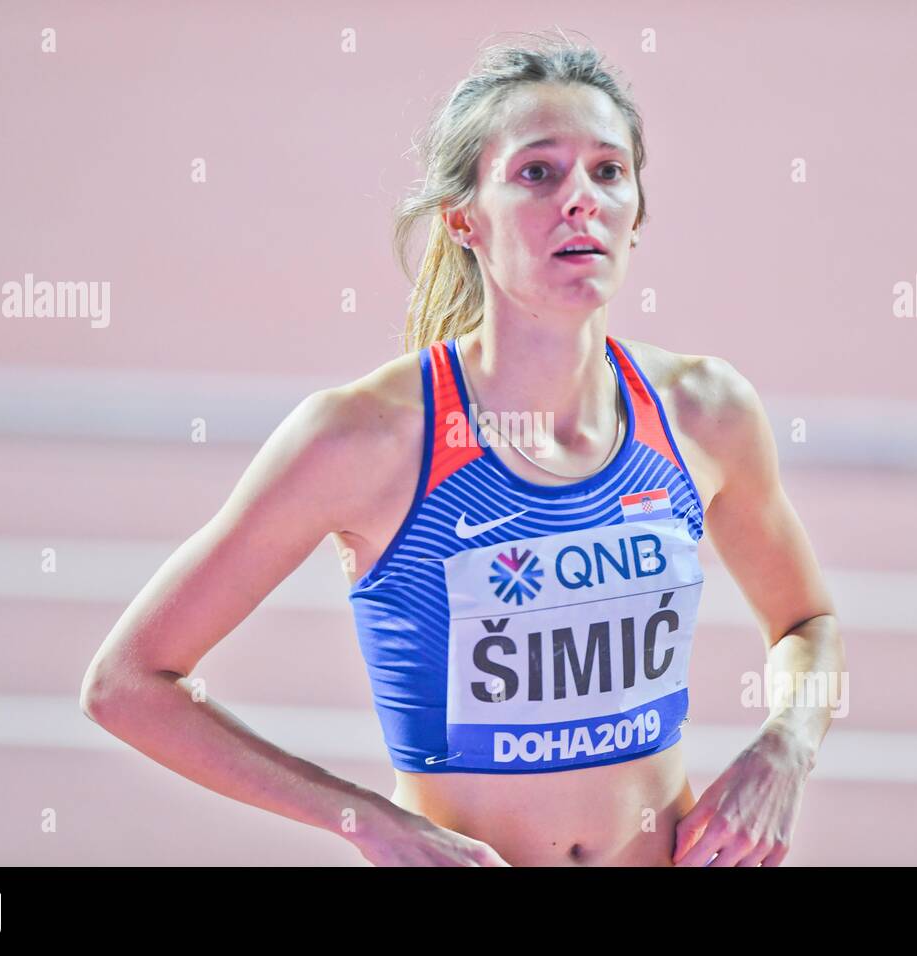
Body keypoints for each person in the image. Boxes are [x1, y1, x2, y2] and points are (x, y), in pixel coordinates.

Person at [80, 31, 843, 867]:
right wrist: (363, 819)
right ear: (463, 219)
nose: (580, 199)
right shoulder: (369, 438)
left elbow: (807, 621)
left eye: (608, 171)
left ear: (636, 217)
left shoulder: (703, 412)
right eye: (537, 172)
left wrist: (787, 747)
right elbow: (128, 684)